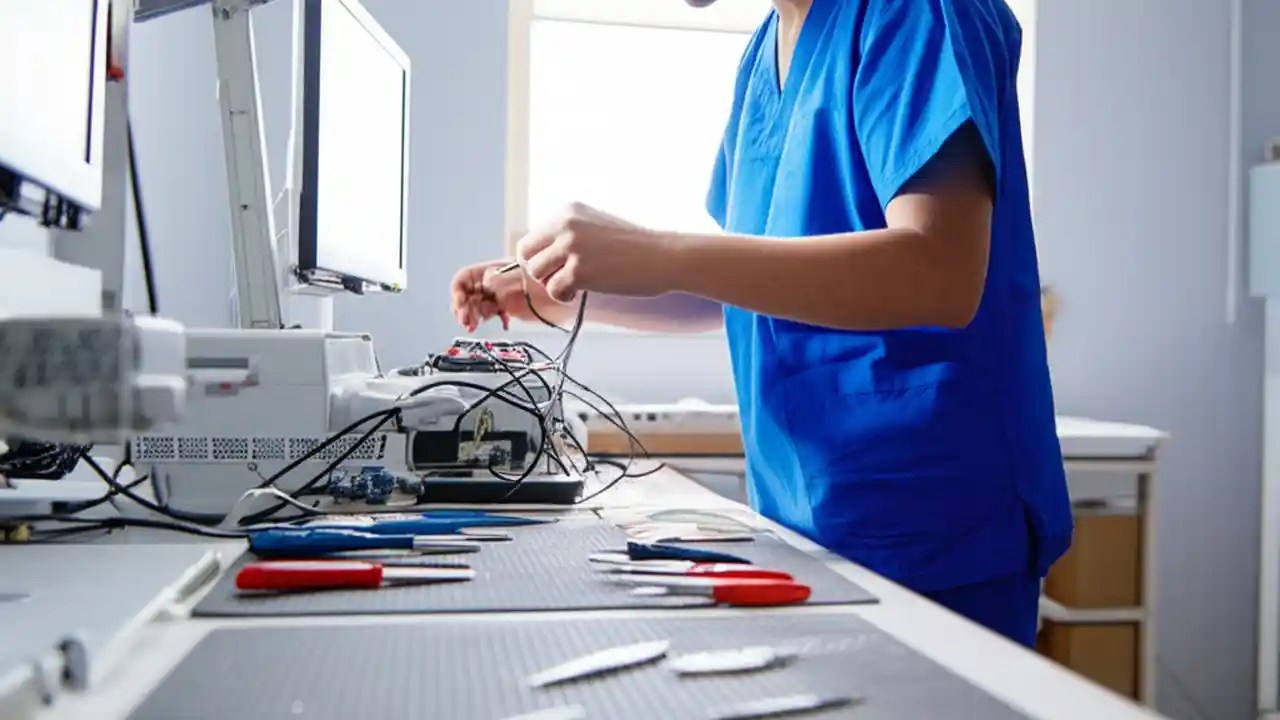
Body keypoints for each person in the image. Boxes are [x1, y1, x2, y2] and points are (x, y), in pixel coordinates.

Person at [450, 0, 1072, 647]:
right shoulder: (765, 52)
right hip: (805, 515)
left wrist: (659, 251)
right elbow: (739, 287)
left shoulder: (915, 13)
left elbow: (939, 273)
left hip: (933, 526)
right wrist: (556, 295)